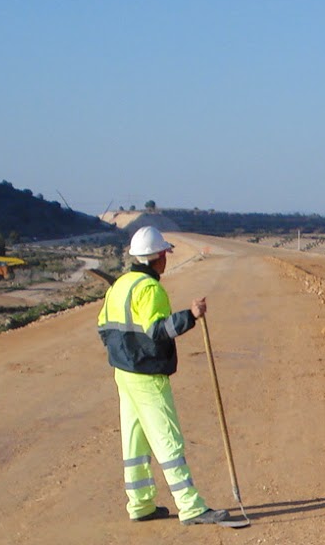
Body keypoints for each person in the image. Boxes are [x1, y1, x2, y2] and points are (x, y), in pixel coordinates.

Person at [97, 226, 249, 527]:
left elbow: (103, 327)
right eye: (165, 254)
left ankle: (140, 504)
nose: (166, 259)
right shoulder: (149, 289)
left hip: (123, 372)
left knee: (135, 441)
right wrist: (190, 316)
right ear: (158, 258)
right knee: (168, 438)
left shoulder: (119, 285)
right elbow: (158, 330)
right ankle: (191, 507)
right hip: (147, 374)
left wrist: (124, 352)